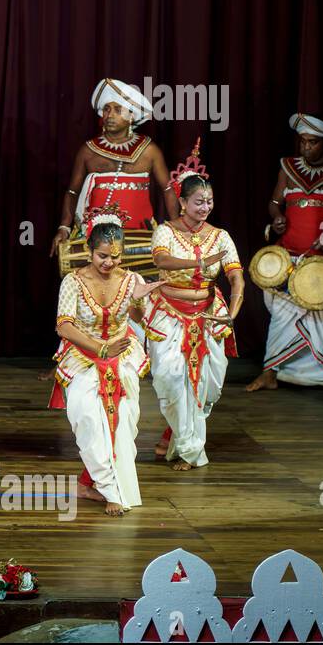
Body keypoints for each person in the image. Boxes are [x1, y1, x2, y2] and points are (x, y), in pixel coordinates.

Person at [40, 77, 177, 381]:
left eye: (117, 109)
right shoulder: (88, 151)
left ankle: (141, 361)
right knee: (85, 302)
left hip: (139, 240)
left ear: (132, 116)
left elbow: (168, 189)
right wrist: (64, 227)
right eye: (107, 110)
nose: (110, 115)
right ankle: (69, 362)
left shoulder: (149, 151)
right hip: (95, 241)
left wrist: (175, 227)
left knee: (139, 301)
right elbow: (73, 192)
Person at [49, 205, 164, 515]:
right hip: (83, 358)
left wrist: (140, 297)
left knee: (122, 424)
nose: (109, 262)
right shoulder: (73, 281)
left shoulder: (131, 279)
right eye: (102, 255)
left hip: (122, 357)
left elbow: (138, 317)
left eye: (115, 256)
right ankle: (111, 491)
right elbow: (64, 325)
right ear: (90, 250)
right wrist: (99, 350)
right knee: (88, 420)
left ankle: (93, 484)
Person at [246, 113, 323, 399]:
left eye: (312, 142)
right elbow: (275, 202)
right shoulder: (288, 167)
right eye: (303, 141)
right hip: (290, 258)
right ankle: (271, 372)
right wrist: (277, 217)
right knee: (283, 316)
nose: (305, 147)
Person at [143, 142, 244, 468]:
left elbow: (236, 279)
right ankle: (187, 447)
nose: (205, 207)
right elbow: (163, 261)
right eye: (198, 202)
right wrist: (200, 265)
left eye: (209, 201)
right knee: (171, 378)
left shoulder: (221, 236)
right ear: (182, 202)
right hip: (169, 313)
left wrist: (233, 312)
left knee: (205, 385)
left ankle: (181, 438)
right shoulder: (165, 231)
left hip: (208, 314)